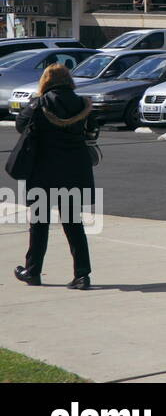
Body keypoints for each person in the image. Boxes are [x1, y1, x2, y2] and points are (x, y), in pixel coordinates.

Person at [12, 63, 97, 290]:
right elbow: (92, 131)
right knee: (73, 224)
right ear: (68, 79)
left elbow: (20, 125)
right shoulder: (82, 103)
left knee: (39, 224)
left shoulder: (39, 104)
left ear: (46, 80)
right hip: (74, 171)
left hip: (44, 172)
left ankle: (33, 272)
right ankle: (82, 275)